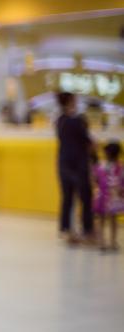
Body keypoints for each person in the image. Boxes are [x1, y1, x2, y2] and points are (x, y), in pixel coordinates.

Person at [55, 91, 95, 244]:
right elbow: (88, 141)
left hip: (63, 163)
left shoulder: (60, 121)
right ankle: (87, 229)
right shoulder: (78, 121)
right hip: (79, 164)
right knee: (85, 197)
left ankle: (66, 229)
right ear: (71, 101)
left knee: (67, 198)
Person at [93, 140, 122, 252]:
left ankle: (102, 243)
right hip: (113, 197)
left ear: (107, 153)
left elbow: (95, 179)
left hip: (102, 196)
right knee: (113, 219)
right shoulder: (120, 167)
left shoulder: (101, 166)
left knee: (101, 219)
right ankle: (113, 242)